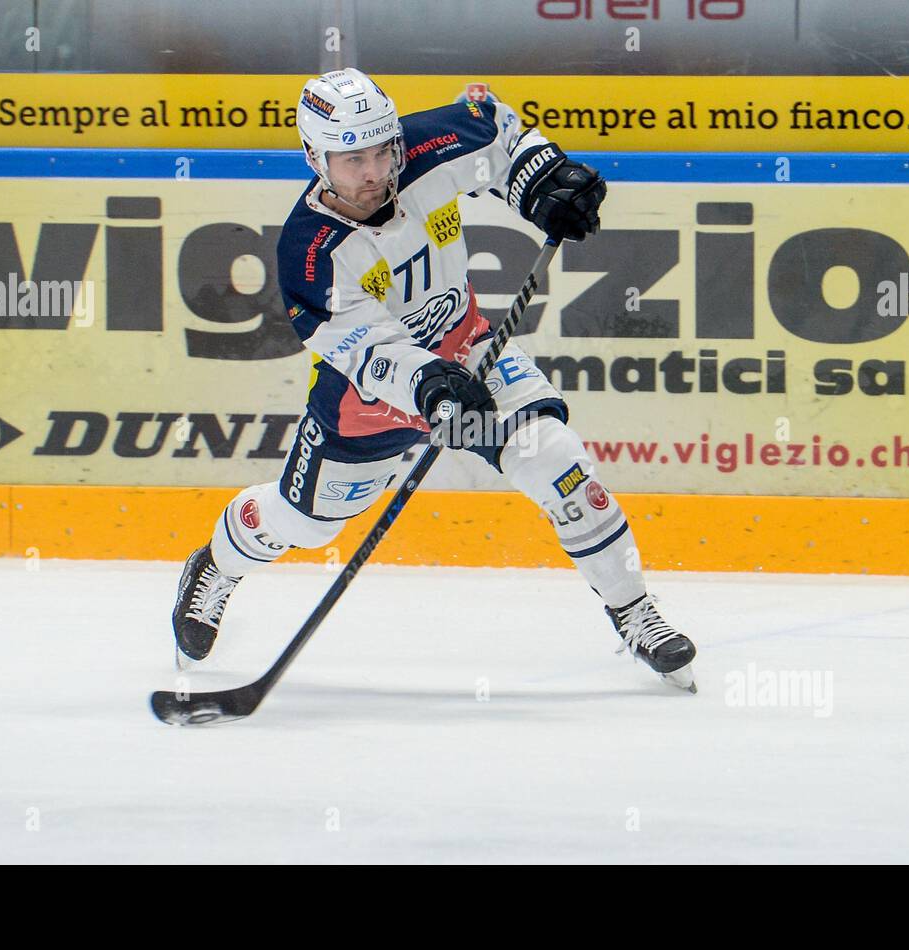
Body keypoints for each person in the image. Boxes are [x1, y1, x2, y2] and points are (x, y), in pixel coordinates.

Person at [170, 68, 696, 692]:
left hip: (472, 356)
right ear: (315, 157)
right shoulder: (308, 253)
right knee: (304, 523)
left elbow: (498, 131)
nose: (373, 171)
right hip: (367, 408)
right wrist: (428, 383)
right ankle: (216, 565)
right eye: (352, 159)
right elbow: (365, 349)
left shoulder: (422, 147)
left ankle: (633, 612)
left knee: (557, 461)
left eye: (381, 150)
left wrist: (542, 181)